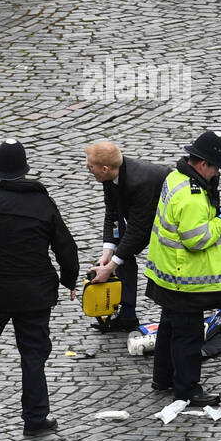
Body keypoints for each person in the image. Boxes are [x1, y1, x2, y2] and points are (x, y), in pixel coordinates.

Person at [0, 139, 79, 434]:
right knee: (33, 356)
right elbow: (65, 246)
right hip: (34, 296)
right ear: (26, 169)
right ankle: (35, 419)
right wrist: (69, 279)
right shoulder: (42, 203)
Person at [145, 131, 221, 408]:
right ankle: (187, 388)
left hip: (166, 272)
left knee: (169, 326)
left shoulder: (175, 178)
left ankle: (162, 377)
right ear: (203, 165)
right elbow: (196, 239)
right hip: (185, 278)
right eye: (215, 168)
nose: (216, 174)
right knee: (188, 334)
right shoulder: (193, 195)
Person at [84, 140, 167, 332]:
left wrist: (111, 265)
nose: (88, 169)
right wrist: (107, 252)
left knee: (127, 256)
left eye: (90, 166)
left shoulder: (139, 182)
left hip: (165, 220)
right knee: (120, 254)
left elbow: (137, 231)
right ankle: (128, 315)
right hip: (144, 216)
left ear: (104, 168)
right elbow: (112, 213)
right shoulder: (108, 176)